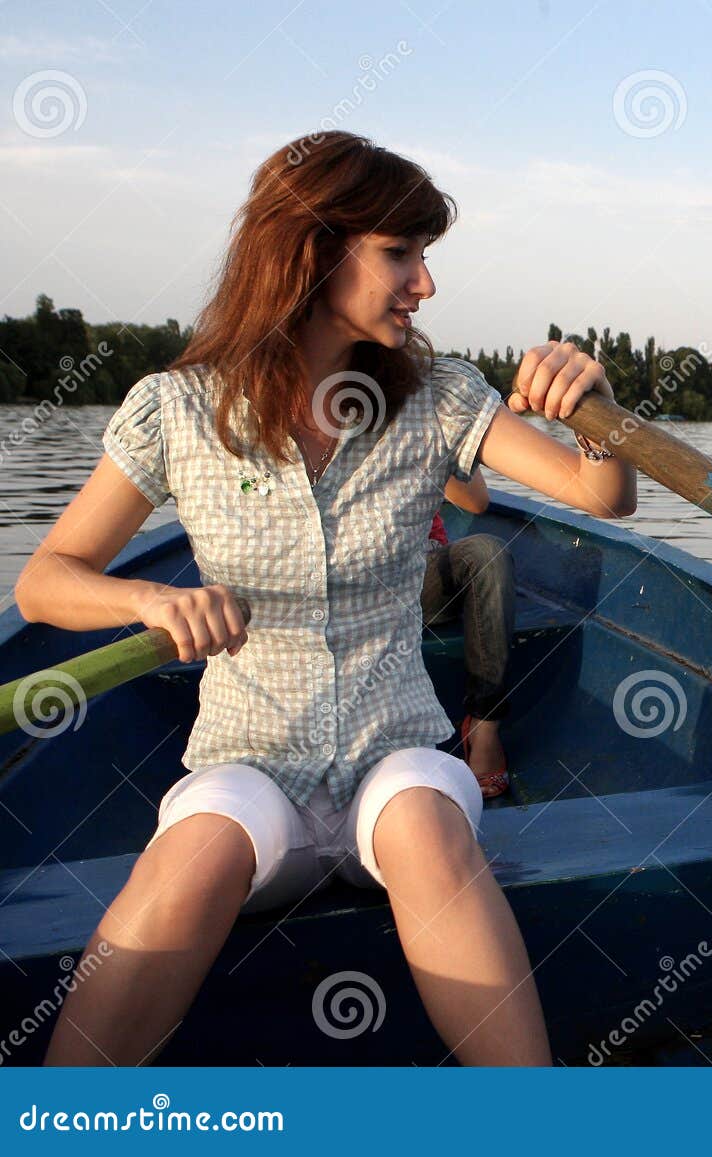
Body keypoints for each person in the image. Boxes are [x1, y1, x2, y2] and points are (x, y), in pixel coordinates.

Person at [11, 131, 636, 1066]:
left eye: (425, 255)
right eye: (401, 253)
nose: (426, 284)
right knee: (195, 852)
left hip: (396, 758)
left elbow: (602, 495)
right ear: (312, 252)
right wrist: (147, 599)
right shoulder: (176, 408)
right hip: (249, 764)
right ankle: (60, 1121)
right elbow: (45, 580)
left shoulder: (439, 396)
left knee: (424, 821)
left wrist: (599, 411)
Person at [428, 469, 514, 798]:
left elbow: (476, 501)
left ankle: (484, 725)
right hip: (343, 575)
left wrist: (429, 450)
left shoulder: (415, 436)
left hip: (423, 568)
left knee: (488, 554)